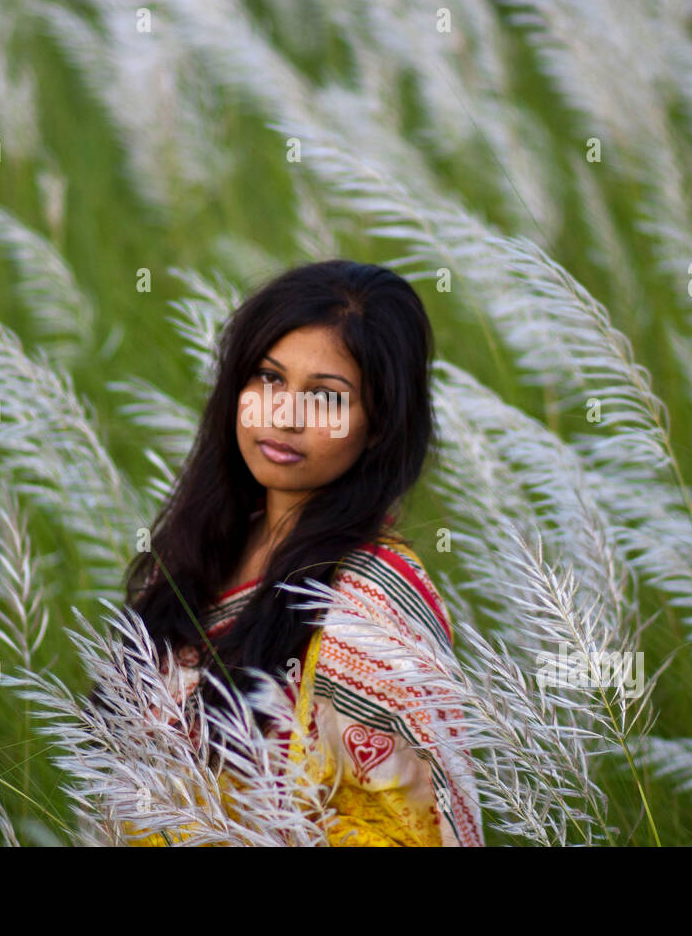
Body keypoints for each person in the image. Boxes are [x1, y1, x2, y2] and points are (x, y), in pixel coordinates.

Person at [118, 259, 484, 847]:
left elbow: (404, 830)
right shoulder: (195, 555)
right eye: (267, 378)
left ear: (381, 423)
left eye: (325, 396)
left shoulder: (369, 604)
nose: (283, 415)